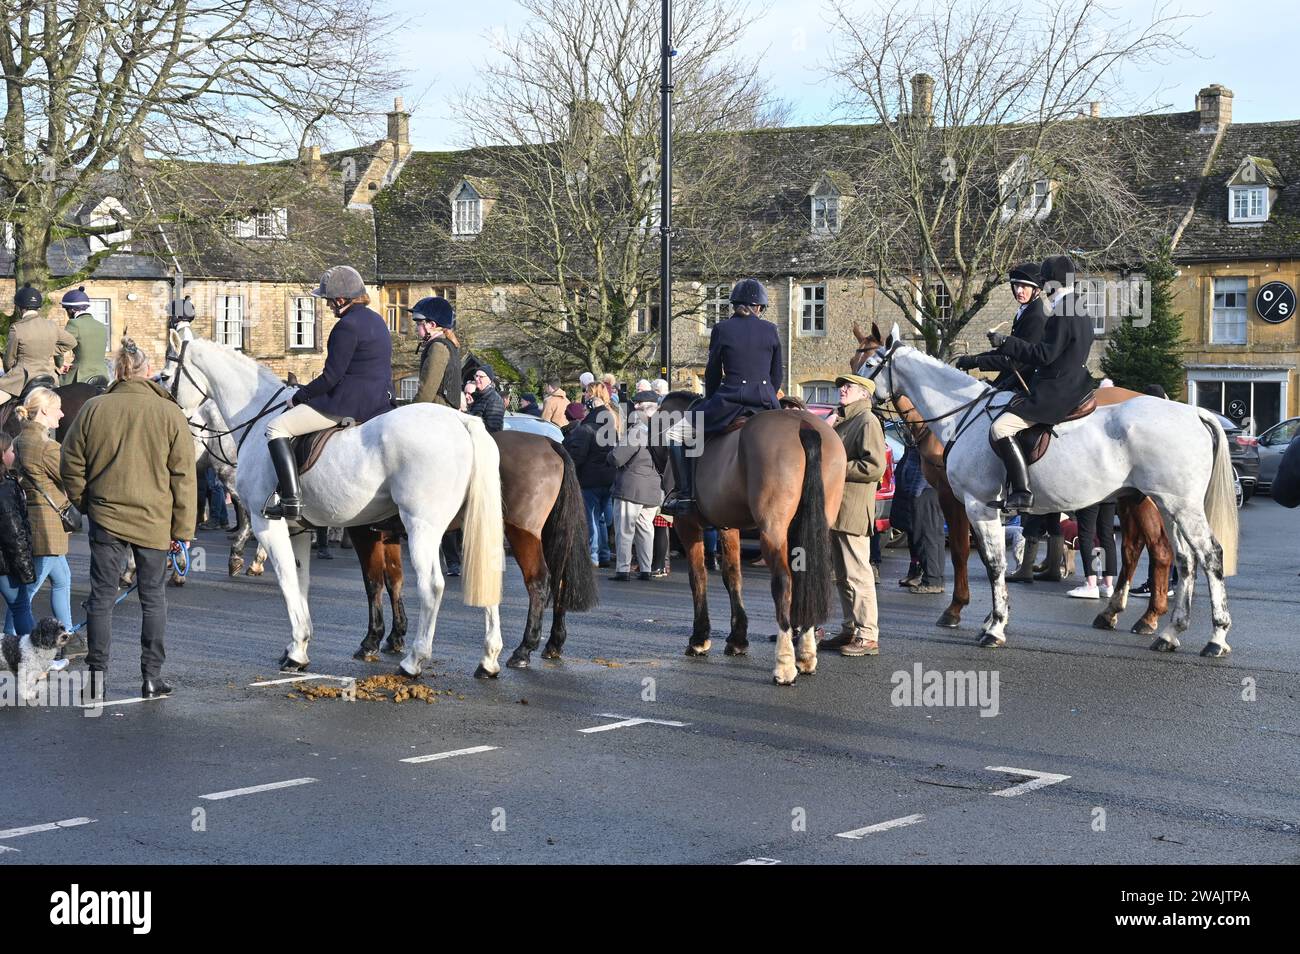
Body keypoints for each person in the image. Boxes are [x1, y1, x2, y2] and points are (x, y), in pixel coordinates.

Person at [61, 337, 197, 701]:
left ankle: (96, 678)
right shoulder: (170, 413)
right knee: (153, 599)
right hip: (155, 519)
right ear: (148, 371)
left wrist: (87, 502)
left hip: (107, 516)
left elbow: (70, 463)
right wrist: (183, 530)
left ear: (118, 371)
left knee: (102, 598)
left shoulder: (93, 408)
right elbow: (184, 476)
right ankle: (152, 678)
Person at [263, 265, 393, 520]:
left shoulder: (346, 327)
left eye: (329, 301)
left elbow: (331, 377)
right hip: (381, 401)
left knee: (276, 428)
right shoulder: (377, 319)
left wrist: (298, 397)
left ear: (341, 300)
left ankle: (290, 500)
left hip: (348, 403)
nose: (327, 306)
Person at [979, 255, 1095, 514]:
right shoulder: (1078, 307)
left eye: (1044, 284)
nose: (1042, 289)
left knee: (1000, 428)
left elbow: (1044, 355)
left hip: (1057, 390)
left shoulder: (1061, 313)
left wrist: (1006, 343)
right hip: (1076, 382)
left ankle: (1021, 492)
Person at [661, 278, 782, 516]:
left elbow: (713, 371)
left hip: (729, 403)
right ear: (759, 307)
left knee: (675, 434)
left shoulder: (722, 329)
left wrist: (711, 397)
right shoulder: (771, 330)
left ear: (736, 304)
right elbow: (777, 374)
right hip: (767, 402)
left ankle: (684, 494)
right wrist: (767, 393)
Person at [820, 374, 887, 656]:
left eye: (848, 387)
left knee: (858, 573)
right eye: (841, 386)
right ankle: (850, 629)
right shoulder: (844, 418)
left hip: (853, 508)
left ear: (864, 394)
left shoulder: (867, 421)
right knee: (842, 575)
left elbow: (875, 466)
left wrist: (836, 467)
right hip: (836, 508)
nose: (842, 390)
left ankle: (867, 635)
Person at [12, 389, 75, 640]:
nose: (62, 413)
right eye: (58, 408)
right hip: (48, 525)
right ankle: (9, 638)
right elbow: (70, 477)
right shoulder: (47, 446)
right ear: (45, 410)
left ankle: (66, 636)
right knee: (27, 591)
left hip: (33, 519)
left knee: (63, 579)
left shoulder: (19, 440)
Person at [607, 392, 663, 581]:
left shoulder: (638, 431)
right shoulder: (662, 430)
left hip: (631, 487)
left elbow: (617, 458)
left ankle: (623, 570)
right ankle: (646, 569)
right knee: (646, 530)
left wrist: (610, 452)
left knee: (625, 530)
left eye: (637, 405)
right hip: (653, 487)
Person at [1, 285, 77, 403]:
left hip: (22, 379)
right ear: (38, 307)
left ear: (19, 308)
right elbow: (71, 342)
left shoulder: (17, 328)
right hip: (48, 377)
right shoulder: (51, 325)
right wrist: (49, 350)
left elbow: (9, 361)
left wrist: (9, 371)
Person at [564, 403, 617, 567]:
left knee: (591, 518)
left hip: (589, 479)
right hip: (608, 479)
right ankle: (604, 553)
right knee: (600, 518)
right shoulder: (610, 431)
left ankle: (593, 556)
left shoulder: (584, 429)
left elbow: (577, 457)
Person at [0, 433, 37, 642]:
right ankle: (36, 659)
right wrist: (25, 568)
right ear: (2, 455)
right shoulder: (5, 487)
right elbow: (13, 533)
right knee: (21, 607)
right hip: (5, 561)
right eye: (12, 451)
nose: (14, 454)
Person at [407, 296, 461, 408]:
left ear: (432, 325)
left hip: (437, 411)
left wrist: (410, 411)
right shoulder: (445, 344)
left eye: (419, 324)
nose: (417, 328)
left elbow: (426, 391)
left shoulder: (438, 347)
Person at [59, 286, 109, 385]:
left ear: (72, 310)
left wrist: (60, 364)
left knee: (57, 391)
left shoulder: (74, 324)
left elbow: (59, 347)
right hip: (102, 375)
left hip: (82, 375)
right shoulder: (101, 326)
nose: (67, 313)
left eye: (66, 310)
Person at [1069, 501, 1118, 598]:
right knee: (1106, 535)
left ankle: (1091, 585)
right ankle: (1108, 585)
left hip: (1090, 493)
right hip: (1110, 492)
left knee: (1086, 535)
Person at [467, 366, 504, 432]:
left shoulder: (494, 400)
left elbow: (493, 429)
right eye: (476, 376)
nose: (477, 379)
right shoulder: (476, 396)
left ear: (489, 380)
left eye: (480, 377)